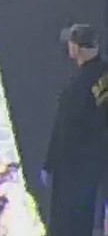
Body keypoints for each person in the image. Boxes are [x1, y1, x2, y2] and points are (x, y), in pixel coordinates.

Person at [42, 23, 108, 236]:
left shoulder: (80, 84)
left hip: (71, 164)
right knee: (83, 218)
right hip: (93, 163)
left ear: (78, 48)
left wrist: (50, 163)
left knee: (65, 221)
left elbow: (66, 127)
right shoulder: (103, 75)